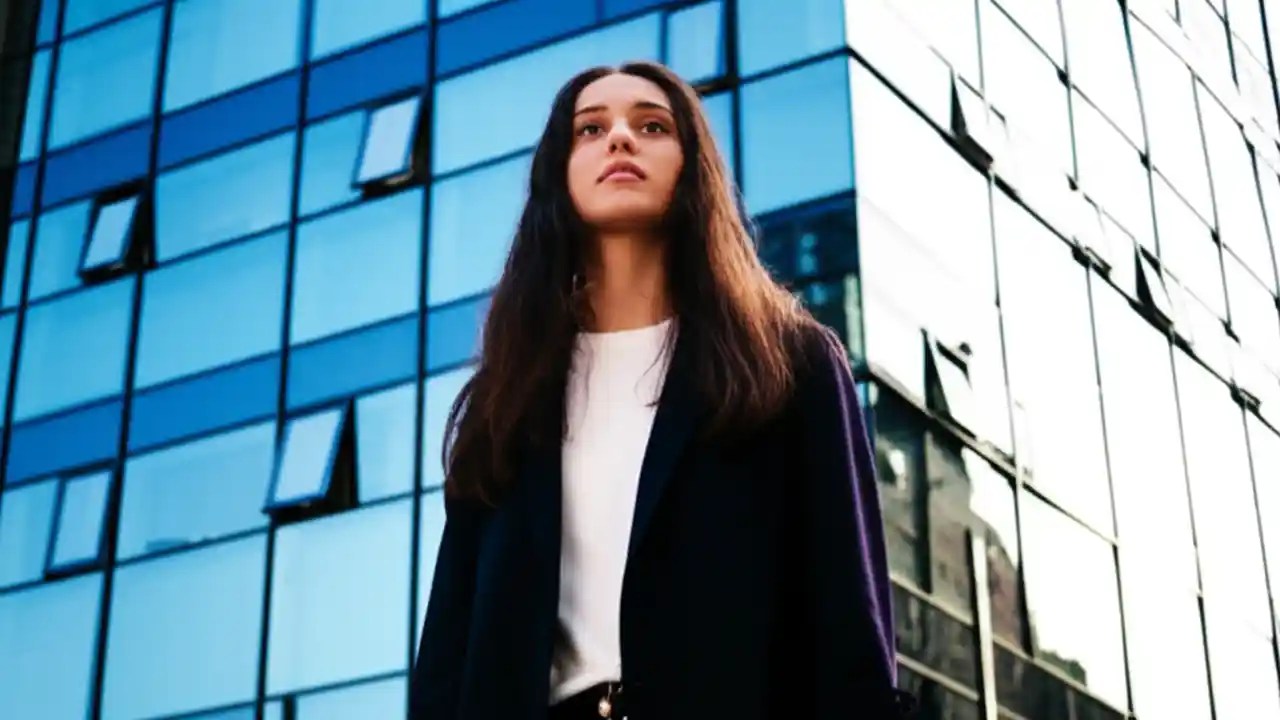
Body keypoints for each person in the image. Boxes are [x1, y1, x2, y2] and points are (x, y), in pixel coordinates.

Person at [409, 60, 913, 720]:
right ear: (559, 173)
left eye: (651, 126)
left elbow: (848, 617)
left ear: (692, 167)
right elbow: (447, 652)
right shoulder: (506, 398)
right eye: (590, 129)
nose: (620, 138)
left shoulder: (786, 363)